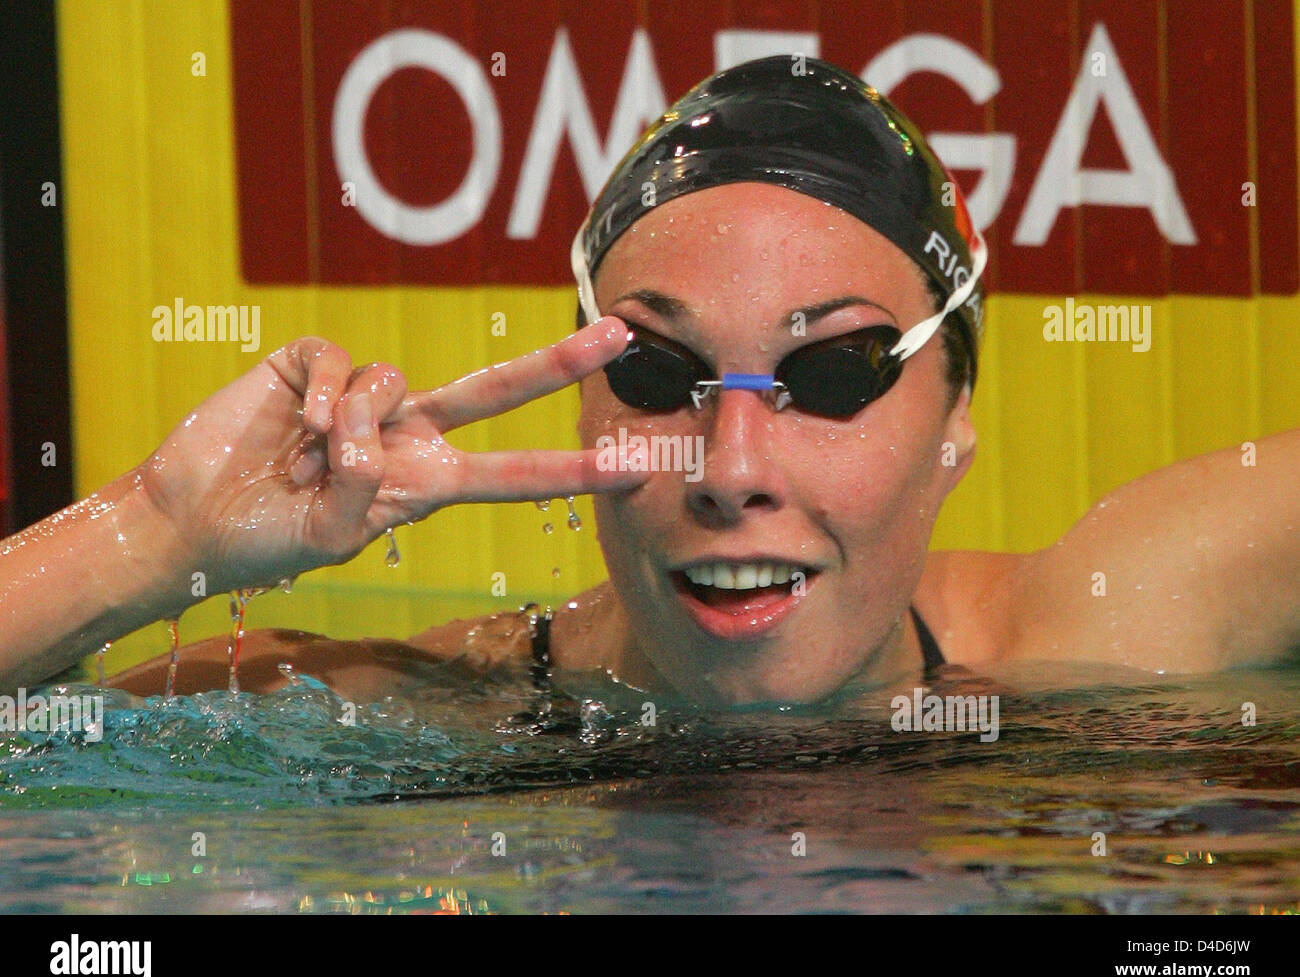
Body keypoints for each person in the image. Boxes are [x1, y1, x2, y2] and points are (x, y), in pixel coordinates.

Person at [2, 57, 1297, 708]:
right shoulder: (432, 714)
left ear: (956, 417)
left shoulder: (1118, 635)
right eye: (658, 369)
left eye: (835, 371)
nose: (730, 468)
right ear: (584, 402)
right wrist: (154, 537)